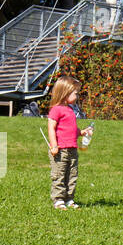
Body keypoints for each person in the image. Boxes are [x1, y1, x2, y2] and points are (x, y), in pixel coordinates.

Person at [46, 75, 93, 210]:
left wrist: (82, 132)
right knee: (59, 174)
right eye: (75, 94)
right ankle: (58, 200)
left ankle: (69, 199)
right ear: (65, 93)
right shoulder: (56, 109)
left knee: (72, 174)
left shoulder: (70, 110)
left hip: (72, 149)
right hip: (60, 150)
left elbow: (71, 128)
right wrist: (54, 145)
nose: (77, 96)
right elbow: (51, 128)